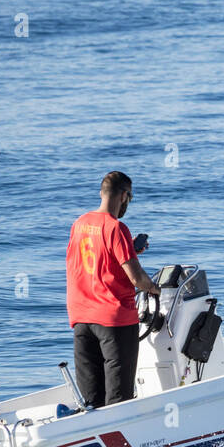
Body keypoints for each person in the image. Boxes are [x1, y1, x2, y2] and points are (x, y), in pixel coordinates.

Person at [66, 171, 161, 408]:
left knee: (92, 401)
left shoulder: (79, 224)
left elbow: (89, 264)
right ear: (124, 196)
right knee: (119, 400)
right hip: (114, 322)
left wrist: (130, 250)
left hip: (81, 320)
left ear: (101, 193)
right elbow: (137, 278)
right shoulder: (116, 228)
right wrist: (153, 288)